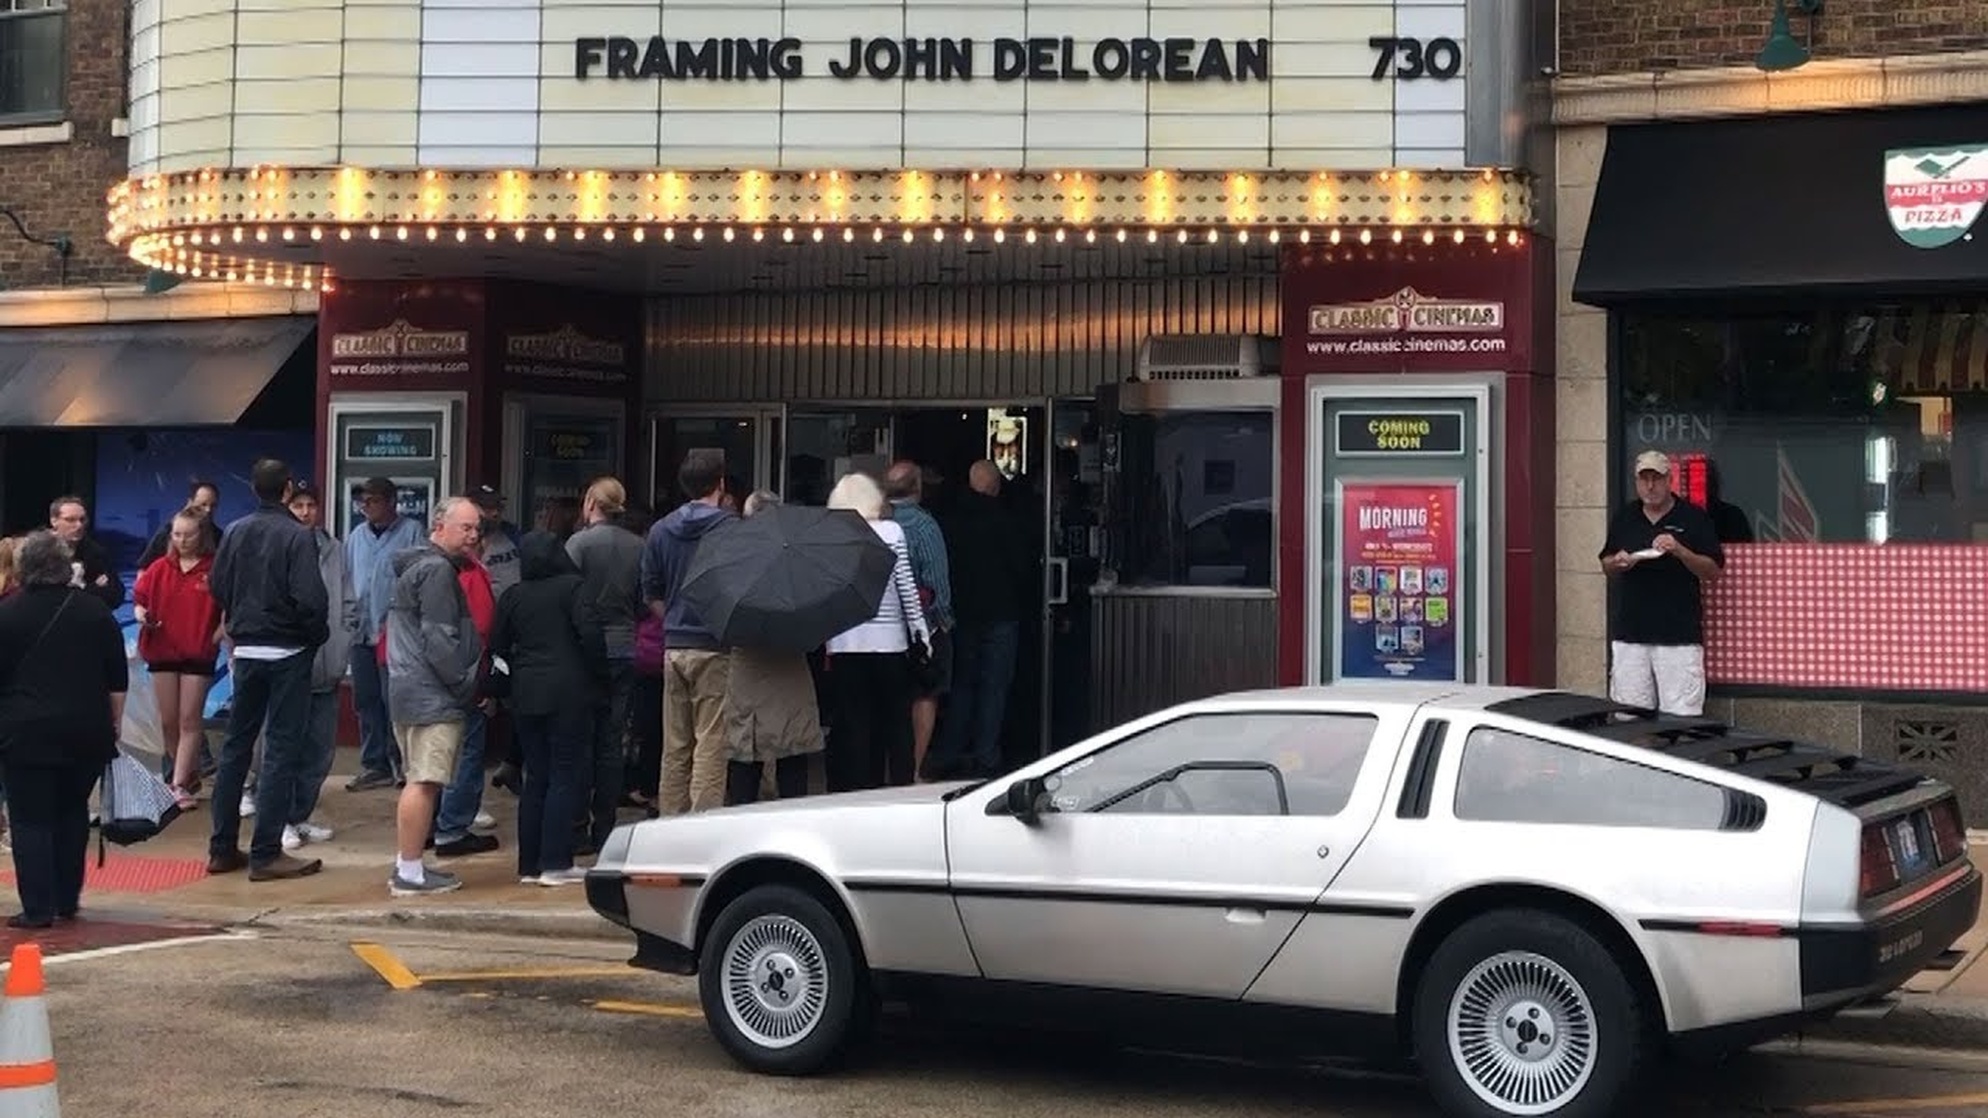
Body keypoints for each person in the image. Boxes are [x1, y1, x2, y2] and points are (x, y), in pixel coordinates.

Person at [205, 458, 331, 881]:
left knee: (236, 747)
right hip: (287, 649)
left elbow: (218, 585)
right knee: (280, 749)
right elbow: (311, 597)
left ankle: (222, 847)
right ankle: (265, 851)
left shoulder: (237, 530)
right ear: (288, 489)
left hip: (247, 648)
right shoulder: (296, 536)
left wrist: (240, 619)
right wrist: (313, 634)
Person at [0, 532, 129, 927]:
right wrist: (113, 726)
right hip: (86, 730)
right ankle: (66, 898)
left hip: (24, 732)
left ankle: (37, 908)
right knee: (72, 812)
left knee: (30, 820)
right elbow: (117, 679)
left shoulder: (8, 614)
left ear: (23, 569)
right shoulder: (94, 611)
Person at [384, 497, 486, 896]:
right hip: (431, 695)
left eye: (477, 529)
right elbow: (440, 639)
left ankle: (408, 865)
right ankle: (409, 872)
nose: (473, 537)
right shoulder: (437, 571)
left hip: (410, 690)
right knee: (424, 781)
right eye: (466, 528)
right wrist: (464, 685)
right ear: (439, 527)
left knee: (418, 780)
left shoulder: (418, 567)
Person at [490, 531, 605, 886]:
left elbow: (498, 647)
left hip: (526, 694)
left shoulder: (513, 596)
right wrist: (599, 679)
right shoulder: (573, 588)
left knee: (535, 777)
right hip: (569, 692)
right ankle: (557, 861)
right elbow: (591, 637)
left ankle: (530, 863)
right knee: (564, 775)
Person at [640, 449, 735, 815]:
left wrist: (672, 621)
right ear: (721, 484)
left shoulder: (661, 529)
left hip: (674, 646)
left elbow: (650, 590)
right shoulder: (729, 528)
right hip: (714, 645)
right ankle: (701, 823)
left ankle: (670, 819)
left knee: (675, 743)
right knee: (711, 741)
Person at [823, 472, 930, 791]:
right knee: (896, 722)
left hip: (845, 642)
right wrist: (920, 633)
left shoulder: (831, 536)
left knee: (854, 723)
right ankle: (899, 784)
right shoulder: (892, 532)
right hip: (889, 643)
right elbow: (906, 589)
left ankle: (856, 789)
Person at [1598, 450, 1726, 716]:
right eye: (1644, 479)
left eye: (1656, 478)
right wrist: (1618, 562)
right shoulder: (1626, 518)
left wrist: (1680, 550)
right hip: (1630, 636)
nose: (1650, 486)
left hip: (1678, 637)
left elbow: (1713, 572)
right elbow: (1606, 564)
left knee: (1681, 719)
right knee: (1628, 718)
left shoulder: (1692, 517)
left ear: (1670, 480)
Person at [722, 489, 825, 805]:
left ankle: (739, 822)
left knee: (745, 751)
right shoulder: (801, 559)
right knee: (792, 749)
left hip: (747, 662)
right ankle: (793, 820)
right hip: (790, 660)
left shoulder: (732, 557)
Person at [933, 460, 1032, 779]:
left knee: (962, 685)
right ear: (994, 486)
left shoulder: (949, 521)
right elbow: (1022, 567)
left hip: (963, 614)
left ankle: (950, 752)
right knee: (994, 686)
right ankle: (986, 755)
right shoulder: (1005, 520)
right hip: (1001, 613)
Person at [566, 476, 646, 845]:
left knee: (582, 739)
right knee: (613, 740)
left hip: (586, 650)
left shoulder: (579, 544)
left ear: (590, 503)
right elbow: (645, 601)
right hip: (624, 645)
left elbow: (568, 597)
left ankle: (578, 824)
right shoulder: (637, 546)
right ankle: (605, 825)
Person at [132, 506, 224, 810]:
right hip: (162, 649)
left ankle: (178, 782)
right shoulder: (160, 567)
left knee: (189, 718)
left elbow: (231, 602)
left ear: (202, 535)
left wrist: (219, 631)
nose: (183, 540)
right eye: (177, 534)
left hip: (198, 651)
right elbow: (139, 600)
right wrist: (142, 615)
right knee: (169, 720)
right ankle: (185, 773)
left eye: (189, 534)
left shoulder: (214, 569)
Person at [281, 483, 355, 853]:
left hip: (328, 664)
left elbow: (348, 598)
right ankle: (279, 820)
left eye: (311, 505)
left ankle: (299, 814)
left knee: (320, 750)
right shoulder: (279, 545)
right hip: (289, 666)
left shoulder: (334, 548)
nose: (306, 512)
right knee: (283, 749)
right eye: (299, 505)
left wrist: (345, 640)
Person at [345, 477, 424, 791]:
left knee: (394, 700)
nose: (366, 506)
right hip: (360, 631)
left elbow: (419, 580)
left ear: (392, 502)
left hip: (394, 632)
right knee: (365, 700)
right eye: (363, 500)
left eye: (373, 500)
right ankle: (374, 764)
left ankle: (401, 763)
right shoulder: (356, 536)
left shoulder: (412, 532)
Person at [882, 460, 954, 779]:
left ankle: (889, 766)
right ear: (918, 488)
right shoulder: (925, 526)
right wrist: (944, 621)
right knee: (925, 694)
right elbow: (937, 583)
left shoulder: (875, 521)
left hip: (883, 627)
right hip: (922, 626)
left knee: (894, 698)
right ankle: (911, 769)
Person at [47, 496, 124, 610]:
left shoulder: (97, 553)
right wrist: (93, 588)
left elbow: (116, 596)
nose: (79, 525)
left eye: (82, 520)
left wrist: (82, 589)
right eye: (70, 520)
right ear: (54, 521)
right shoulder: (39, 552)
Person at [138, 479, 222, 569]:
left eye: (213, 505)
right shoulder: (168, 531)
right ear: (190, 502)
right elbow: (144, 568)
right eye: (203, 504)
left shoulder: (219, 537)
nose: (208, 510)